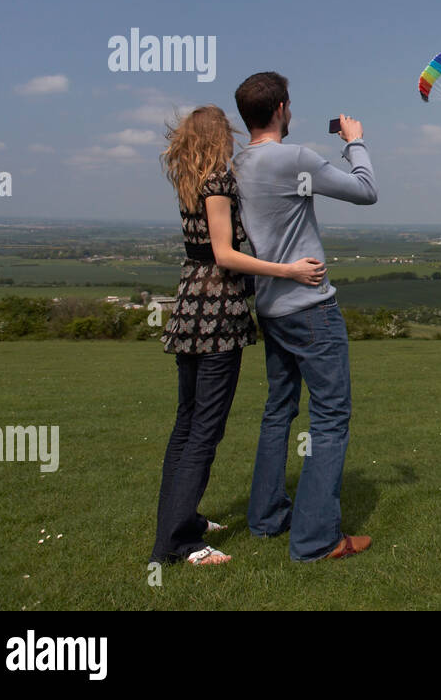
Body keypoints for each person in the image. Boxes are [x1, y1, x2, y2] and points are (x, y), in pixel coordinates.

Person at [152, 105, 326, 567]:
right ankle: (178, 543)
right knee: (204, 430)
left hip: (190, 306)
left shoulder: (189, 180)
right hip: (216, 315)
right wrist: (287, 270)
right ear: (218, 138)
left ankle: (177, 523)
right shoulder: (216, 183)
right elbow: (225, 255)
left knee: (187, 423)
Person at [231, 72, 379, 562]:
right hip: (311, 306)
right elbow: (365, 191)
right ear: (280, 109)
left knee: (278, 411)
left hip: (271, 307)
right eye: (289, 105)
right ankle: (316, 539)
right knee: (331, 415)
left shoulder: (240, 163)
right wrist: (355, 142)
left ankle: (266, 518)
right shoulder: (293, 158)